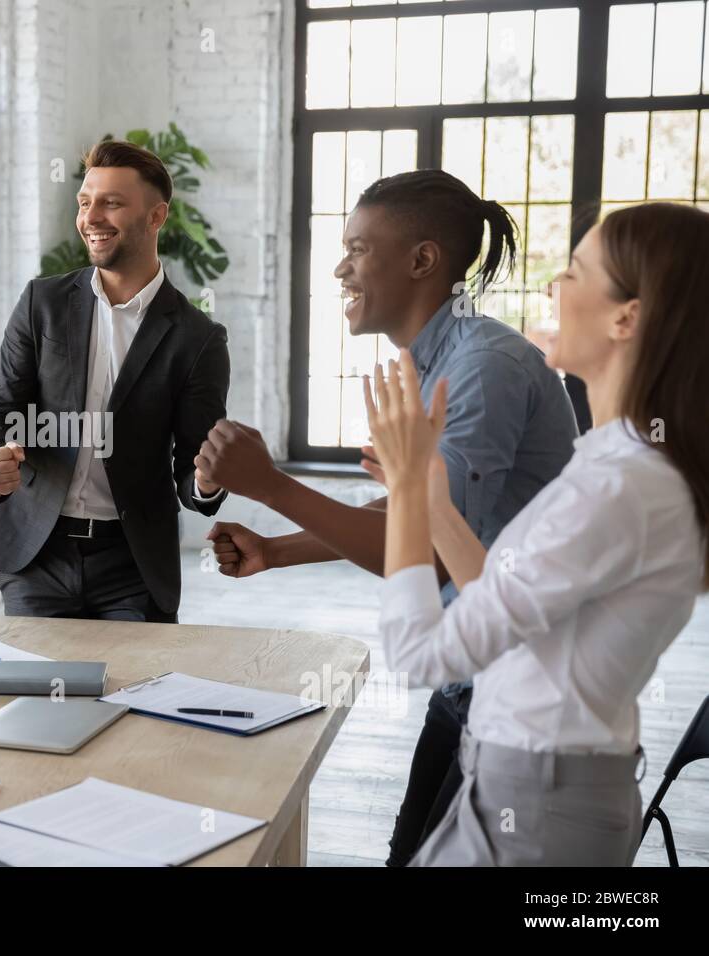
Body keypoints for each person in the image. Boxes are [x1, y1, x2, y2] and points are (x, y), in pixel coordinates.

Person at [198, 170, 577, 864]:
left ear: (422, 260)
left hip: (519, 694)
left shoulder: (483, 367)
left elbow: (429, 548)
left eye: (357, 248)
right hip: (475, 681)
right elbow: (415, 513)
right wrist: (277, 549)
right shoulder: (439, 359)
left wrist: (271, 484)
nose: (341, 267)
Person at [365, 201, 708, 865]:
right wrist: (434, 499)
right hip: (532, 795)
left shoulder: (622, 485)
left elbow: (419, 654)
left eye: (576, 272)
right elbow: (507, 600)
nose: (554, 284)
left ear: (626, 317)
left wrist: (407, 489)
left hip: (537, 813)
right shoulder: (619, 462)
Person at [0, 140, 229, 622]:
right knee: (34, 691)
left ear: (156, 217)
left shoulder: (198, 338)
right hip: (38, 555)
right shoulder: (40, 303)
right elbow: (0, 408)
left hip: (131, 567)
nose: (91, 218)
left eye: (111, 203)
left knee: (128, 693)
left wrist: (208, 481)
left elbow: (193, 469)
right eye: (85, 203)